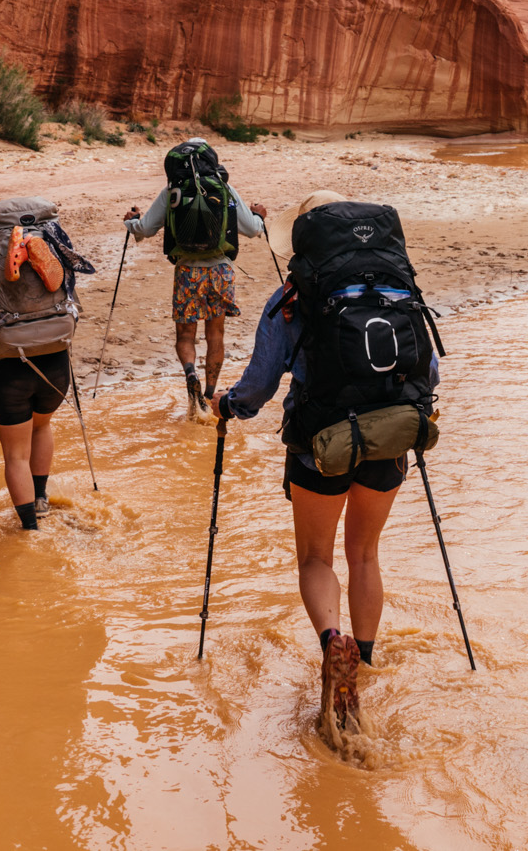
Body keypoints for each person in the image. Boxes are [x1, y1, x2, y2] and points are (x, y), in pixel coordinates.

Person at [211, 190, 439, 739]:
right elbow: (428, 369)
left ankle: (330, 642)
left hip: (321, 441)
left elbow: (260, 384)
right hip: (389, 436)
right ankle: (362, 657)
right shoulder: (396, 286)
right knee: (364, 554)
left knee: (316, 557)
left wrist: (229, 408)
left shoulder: (293, 296)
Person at [0, 205, 93, 531]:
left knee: (15, 456)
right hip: (56, 366)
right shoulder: (61, 259)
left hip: (11, 372)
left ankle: (30, 533)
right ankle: (41, 500)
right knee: (41, 427)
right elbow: (74, 309)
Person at [123, 138, 269, 413]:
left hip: (187, 272)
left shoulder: (172, 191)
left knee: (185, 335)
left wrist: (130, 220)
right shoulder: (224, 188)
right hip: (220, 272)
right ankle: (210, 393)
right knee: (216, 333)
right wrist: (258, 215)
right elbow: (251, 230)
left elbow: (144, 229)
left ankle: (190, 375)